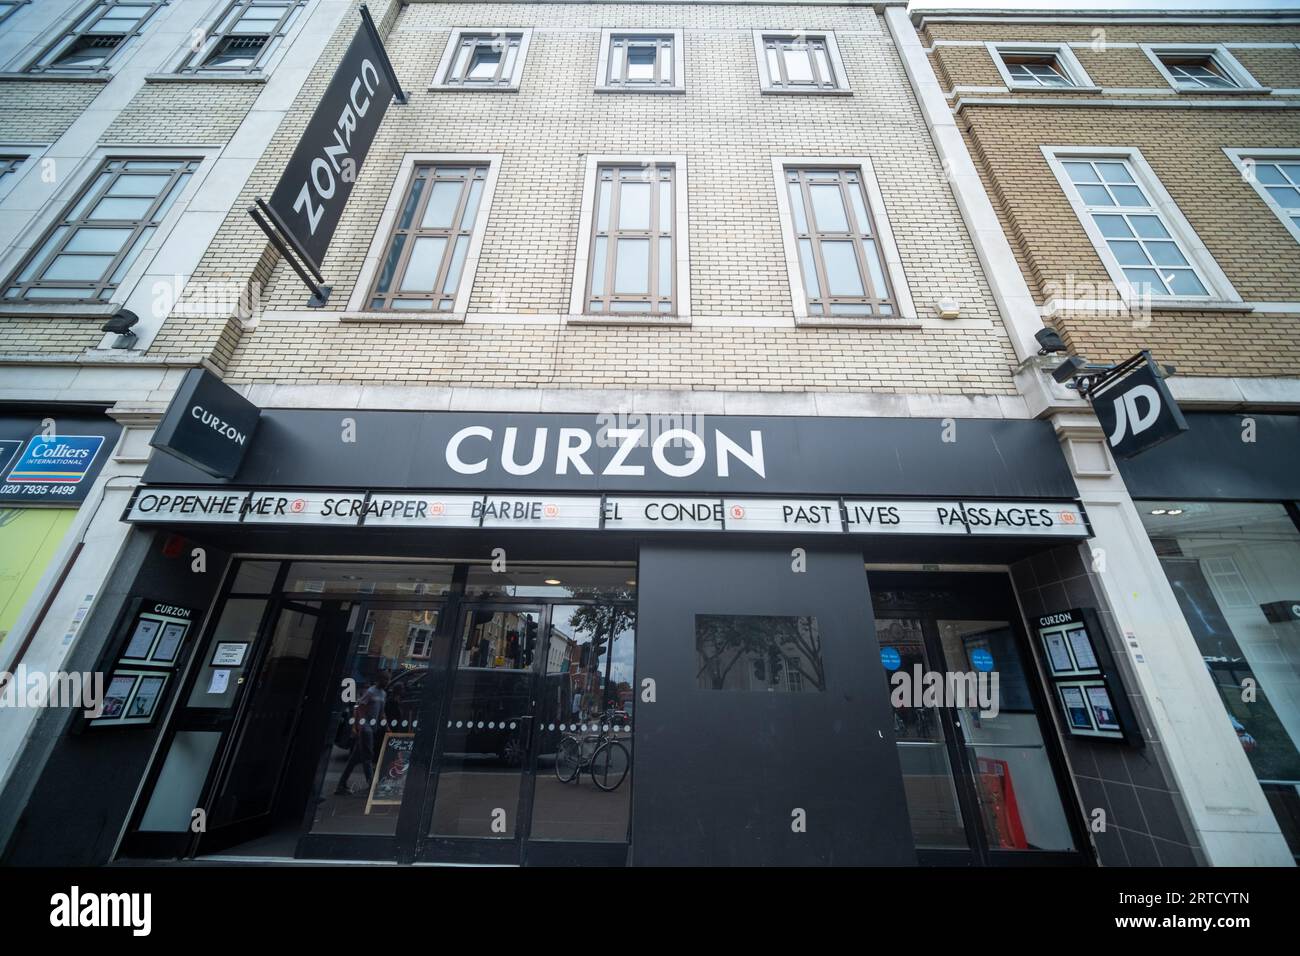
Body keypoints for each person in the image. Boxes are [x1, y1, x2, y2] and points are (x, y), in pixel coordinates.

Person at [336, 672, 390, 795]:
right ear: (379, 679)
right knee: (367, 757)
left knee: (354, 759)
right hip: (366, 728)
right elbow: (359, 708)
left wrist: (387, 727)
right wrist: (357, 726)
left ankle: (341, 785)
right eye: (385, 679)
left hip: (372, 728)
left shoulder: (383, 694)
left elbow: (382, 712)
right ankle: (371, 785)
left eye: (388, 680)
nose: (386, 682)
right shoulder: (370, 692)